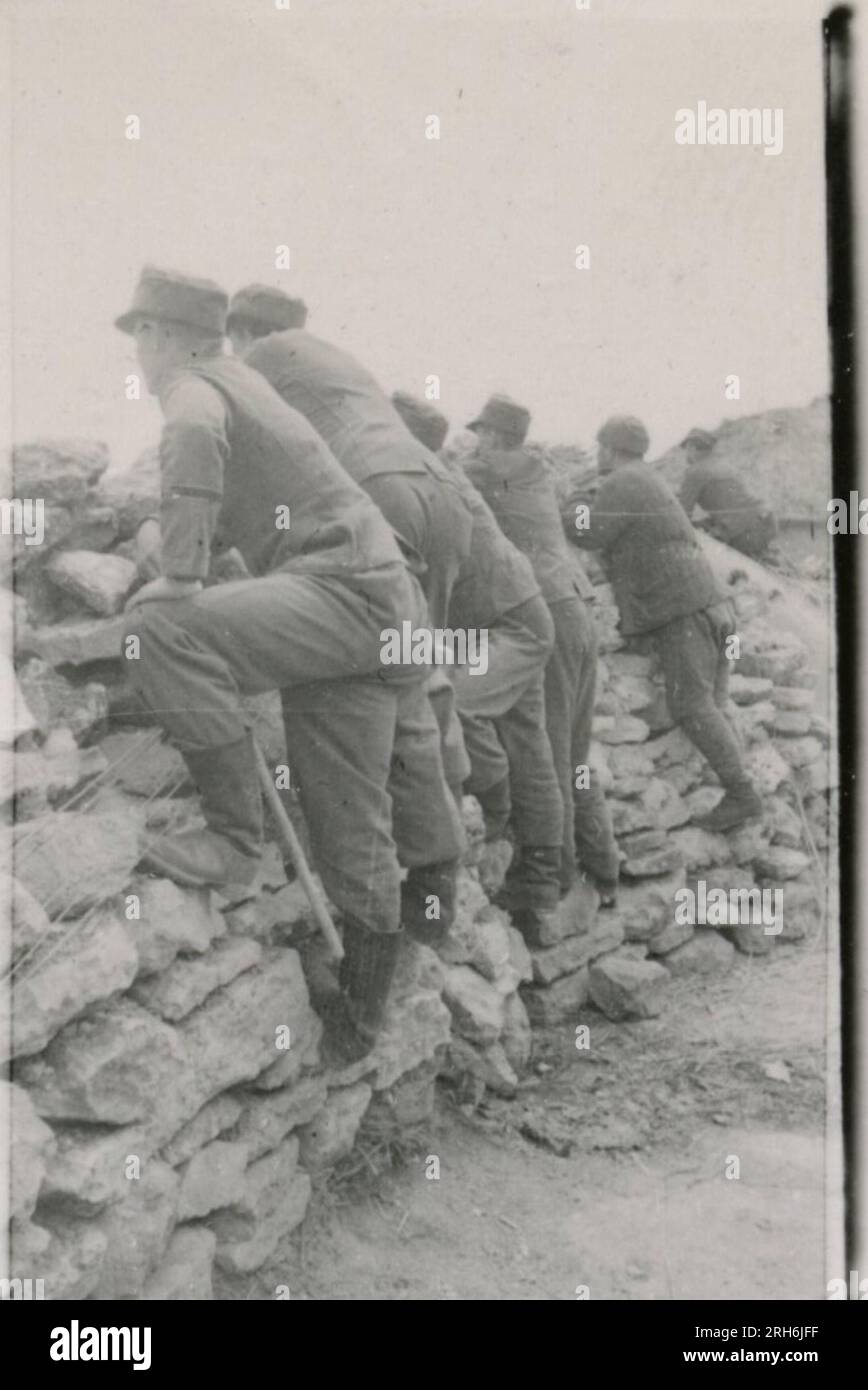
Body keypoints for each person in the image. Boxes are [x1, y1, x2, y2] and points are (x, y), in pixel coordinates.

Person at [116, 265, 458, 1064]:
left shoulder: (195, 385)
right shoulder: (243, 379)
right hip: (375, 605)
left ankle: (233, 842)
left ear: (164, 336)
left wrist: (181, 572)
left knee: (159, 630)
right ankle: (362, 1017)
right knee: (349, 822)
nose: (139, 355)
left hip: (342, 593)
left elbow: (194, 439)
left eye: (141, 336)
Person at [567, 415, 762, 832]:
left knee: (691, 705)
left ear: (609, 448)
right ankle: (740, 785)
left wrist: (573, 503)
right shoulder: (647, 479)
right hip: (710, 604)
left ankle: (743, 793)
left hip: (682, 611)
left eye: (600, 446)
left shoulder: (623, 481)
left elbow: (590, 533)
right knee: (713, 704)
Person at [464, 394, 619, 906]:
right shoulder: (537, 471)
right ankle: (604, 865)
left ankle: (553, 878)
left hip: (545, 612)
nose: (475, 442)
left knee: (548, 753)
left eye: (479, 433)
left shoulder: (486, 469)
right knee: (573, 752)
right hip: (576, 605)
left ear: (490, 435)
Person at [679, 427, 777, 559]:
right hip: (767, 523)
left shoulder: (695, 471)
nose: (686, 454)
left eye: (686, 449)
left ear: (692, 447)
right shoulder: (724, 466)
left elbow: (681, 515)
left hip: (745, 533)